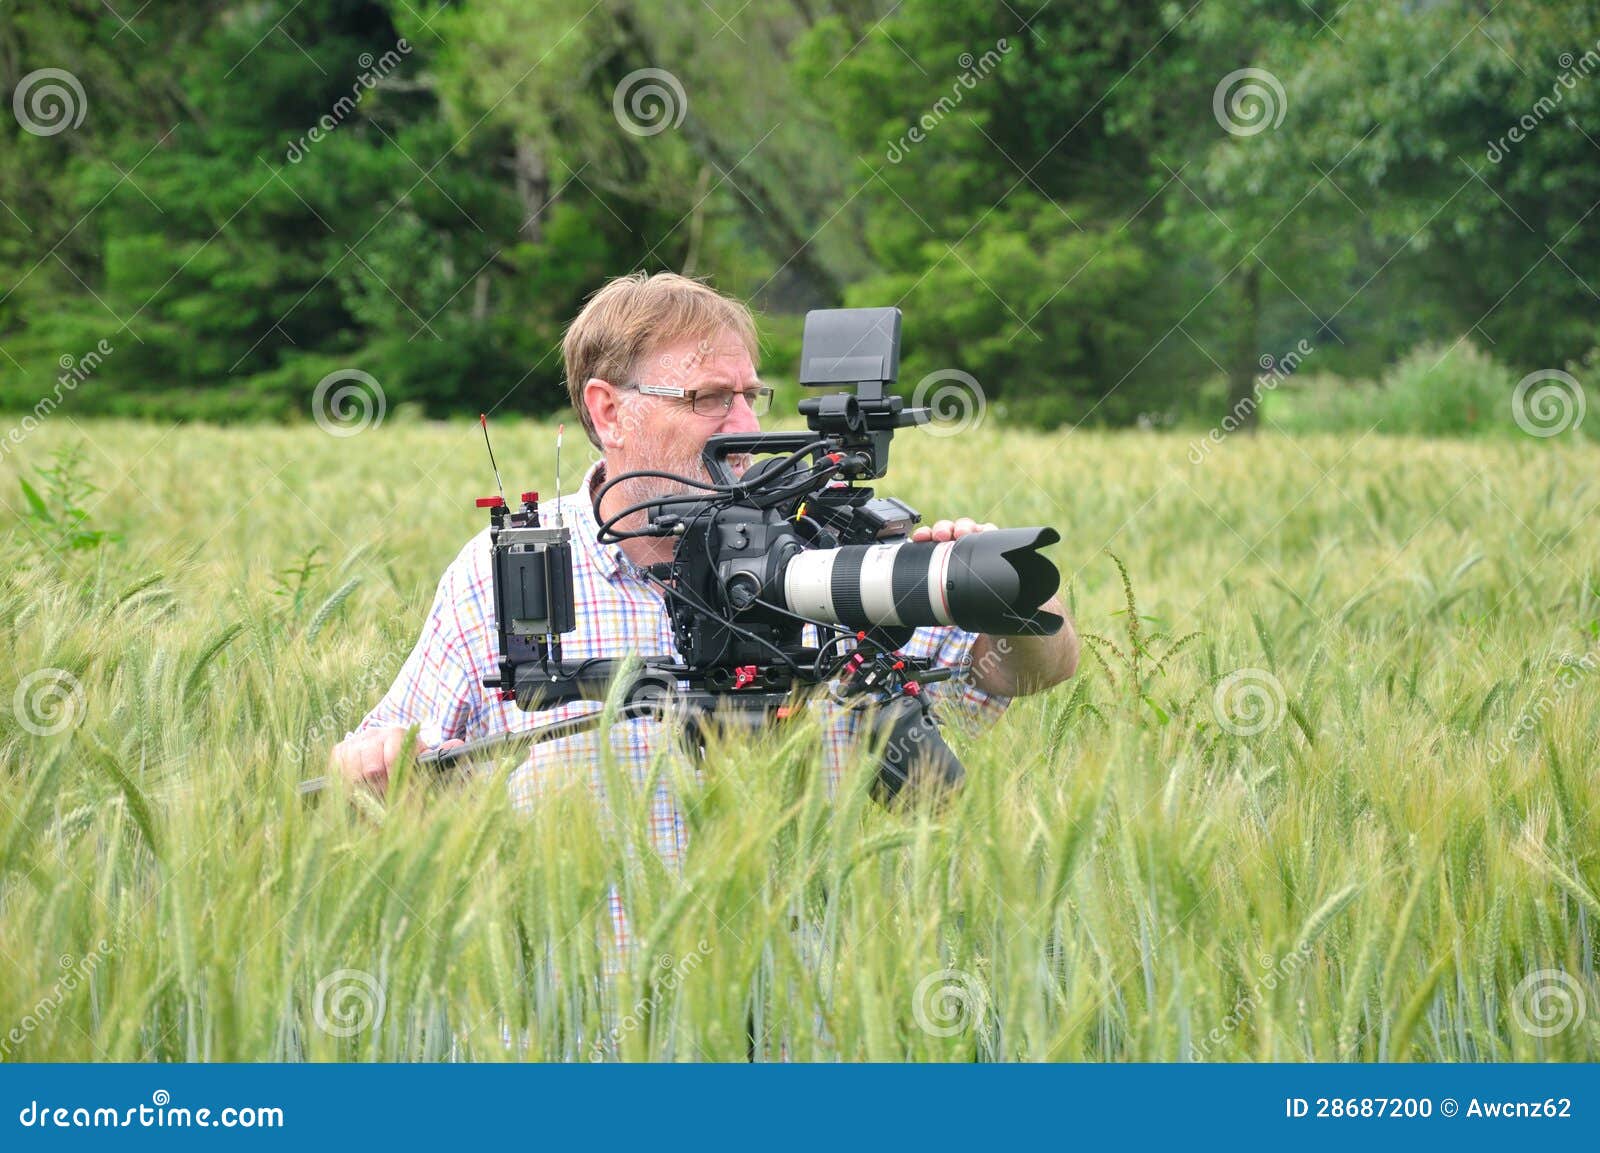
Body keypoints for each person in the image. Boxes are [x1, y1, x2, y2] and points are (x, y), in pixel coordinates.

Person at [330, 273, 1079, 873]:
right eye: (709, 398)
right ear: (609, 410)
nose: (746, 428)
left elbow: (1029, 672)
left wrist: (1011, 603)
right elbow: (383, 764)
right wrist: (371, 764)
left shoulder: (825, 550)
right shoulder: (501, 573)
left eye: (750, 395)